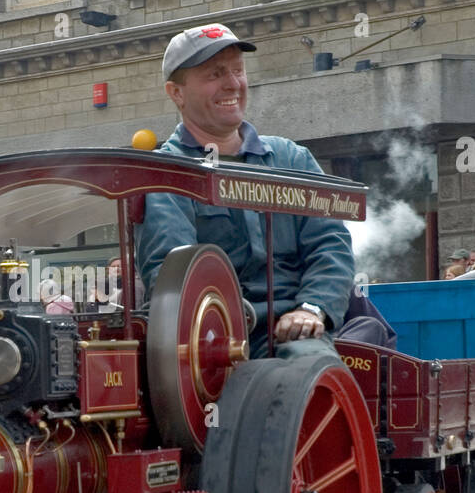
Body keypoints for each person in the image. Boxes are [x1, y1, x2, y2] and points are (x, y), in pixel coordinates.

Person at [136, 23, 368, 360]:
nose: (232, 83)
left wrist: (311, 309)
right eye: (215, 74)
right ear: (176, 93)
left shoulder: (292, 158)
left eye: (238, 70)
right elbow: (174, 276)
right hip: (216, 343)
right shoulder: (166, 176)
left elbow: (330, 244)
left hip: (301, 335)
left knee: (307, 363)